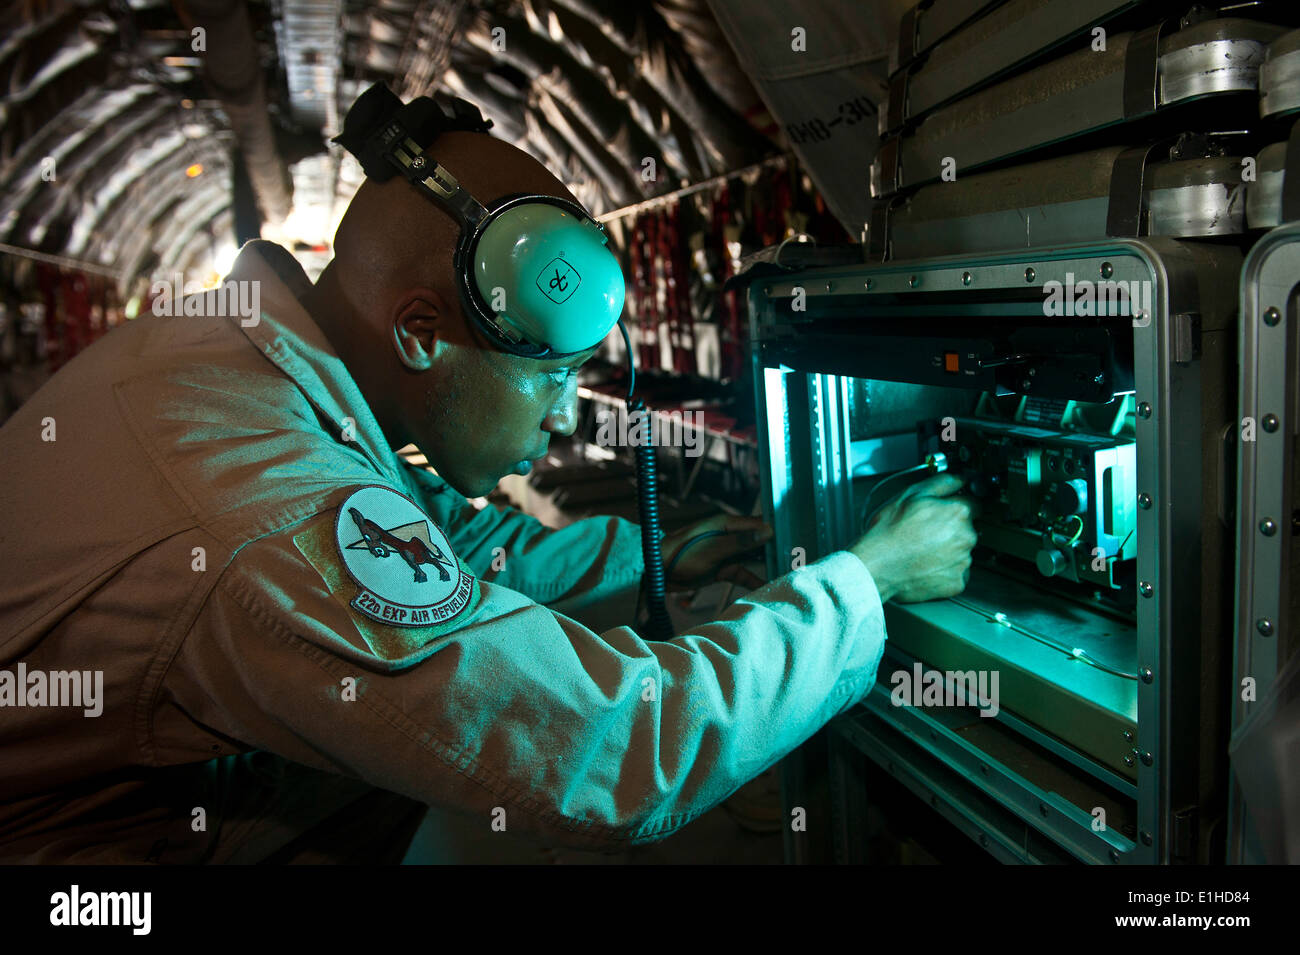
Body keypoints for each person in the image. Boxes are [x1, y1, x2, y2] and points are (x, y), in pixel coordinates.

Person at [0, 90, 977, 863]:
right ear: (422, 332)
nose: (560, 412)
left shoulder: (253, 373)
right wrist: (868, 580)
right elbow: (606, 750)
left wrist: (693, 549)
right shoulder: (264, 508)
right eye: (548, 372)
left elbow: (465, 557)